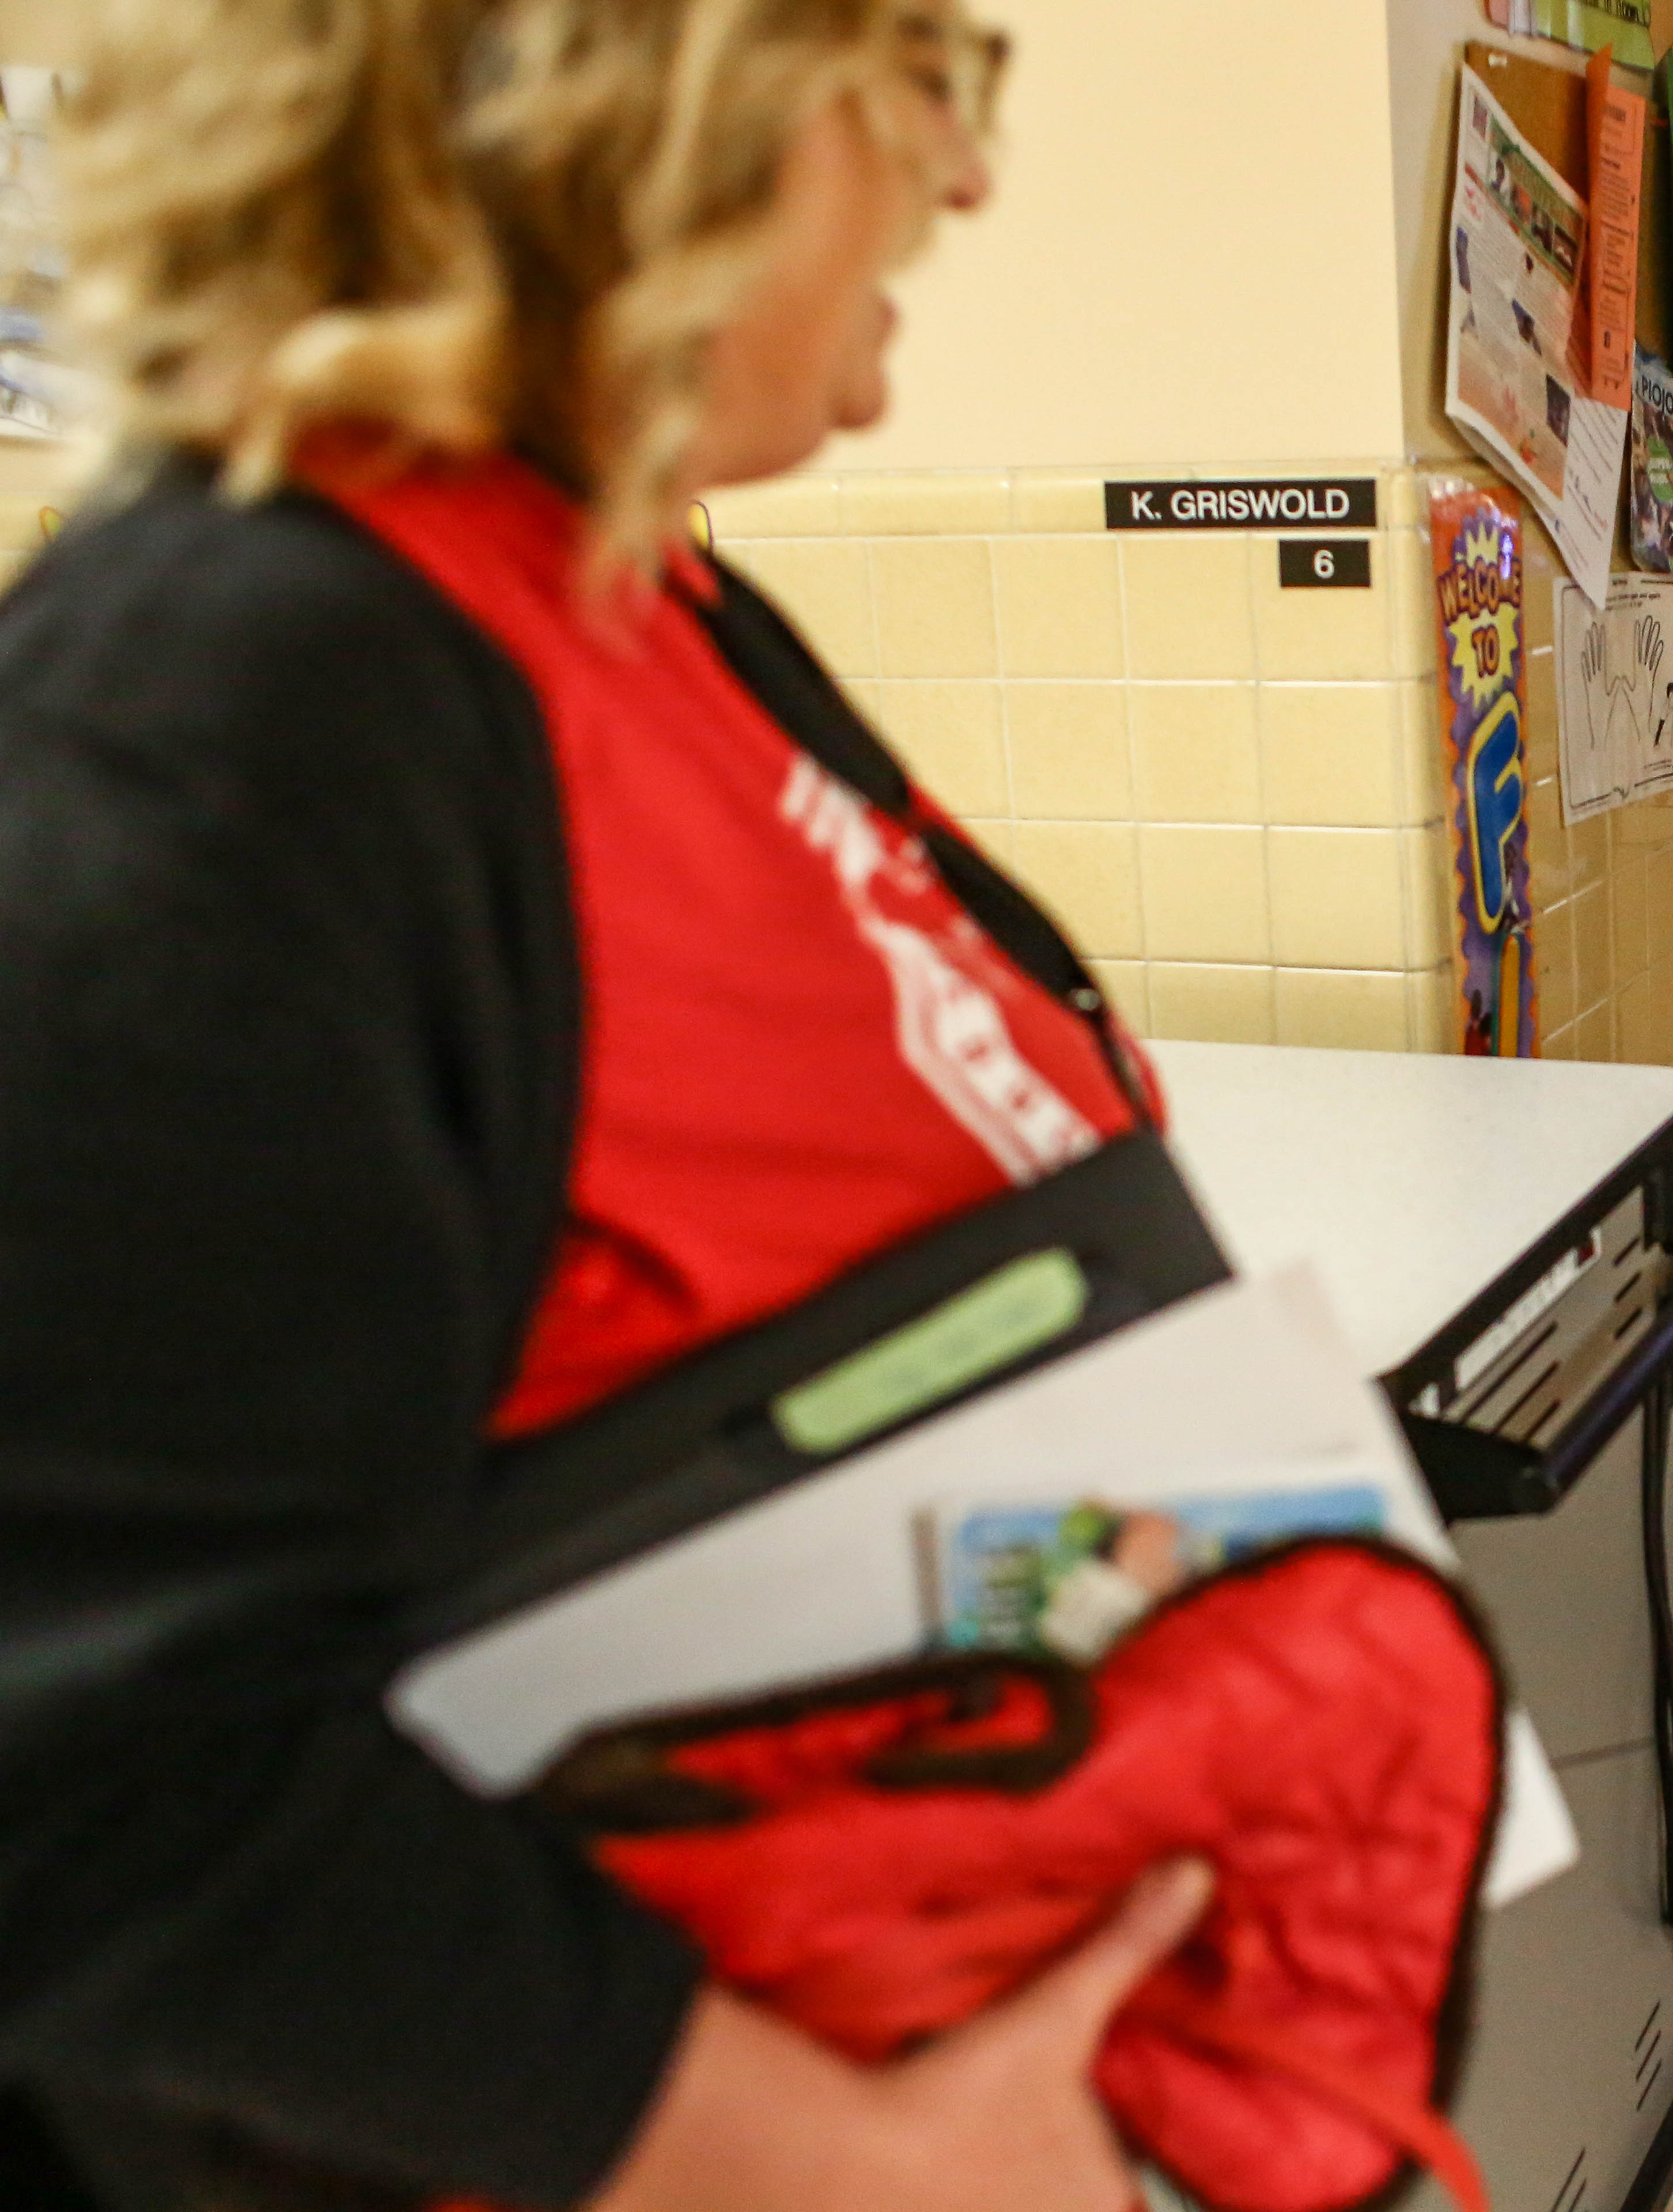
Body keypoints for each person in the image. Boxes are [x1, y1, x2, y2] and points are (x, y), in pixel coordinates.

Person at [0, 4, 1217, 2207]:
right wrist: (838, 2163)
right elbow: (78, 1759)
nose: (968, 180)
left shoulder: (632, 582)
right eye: (921, 79)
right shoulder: (234, 689)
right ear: (632, 90)